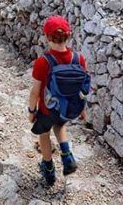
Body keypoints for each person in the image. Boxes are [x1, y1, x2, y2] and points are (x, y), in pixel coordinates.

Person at [27, 15, 89, 186]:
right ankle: (67, 155)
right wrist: (82, 109)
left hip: (48, 109)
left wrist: (32, 112)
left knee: (44, 134)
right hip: (69, 108)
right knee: (60, 125)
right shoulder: (78, 59)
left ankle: (48, 170)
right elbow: (83, 88)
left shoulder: (43, 62)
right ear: (68, 36)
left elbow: (35, 92)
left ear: (47, 37)